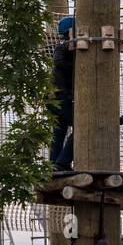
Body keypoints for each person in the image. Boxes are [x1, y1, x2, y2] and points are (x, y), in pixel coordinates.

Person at [48, 16, 76, 171]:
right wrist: (76, 66)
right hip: (60, 97)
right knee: (81, 128)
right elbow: (58, 62)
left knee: (59, 131)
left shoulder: (66, 46)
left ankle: (54, 165)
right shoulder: (63, 47)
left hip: (55, 98)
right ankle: (62, 162)